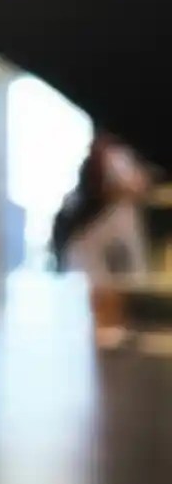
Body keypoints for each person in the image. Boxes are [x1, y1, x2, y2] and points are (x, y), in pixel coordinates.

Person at [53, 134, 150, 338]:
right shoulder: (107, 161)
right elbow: (132, 187)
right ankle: (104, 330)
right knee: (102, 285)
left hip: (110, 234)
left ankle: (109, 329)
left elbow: (137, 186)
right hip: (97, 234)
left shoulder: (120, 158)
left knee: (115, 284)